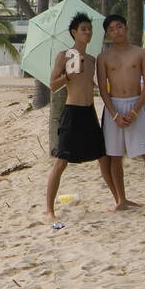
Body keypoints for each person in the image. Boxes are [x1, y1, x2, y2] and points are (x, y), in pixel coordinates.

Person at [97, 14, 145, 211]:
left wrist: (135, 111)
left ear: (126, 27)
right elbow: (103, 89)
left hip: (136, 105)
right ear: (108, 34)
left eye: (119, 27)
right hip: (113, 106)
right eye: (111, 29)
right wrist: (114, 114)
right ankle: (121, 199)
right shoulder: (103, 57)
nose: (116, 31)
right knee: (114, 156)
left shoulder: (141, 53)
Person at [45, 14, 109, 222]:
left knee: (103, 157)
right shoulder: (64, 56)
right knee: (61, 162)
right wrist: (68, 77)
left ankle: (119, 200)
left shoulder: (91, 59)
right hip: (72, 112)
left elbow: (95, 84)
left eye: (90, 29)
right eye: (83, 29)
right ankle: (49, 209)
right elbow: (52, 85)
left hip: (89, 112)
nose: (88, 33)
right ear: (74, 32)